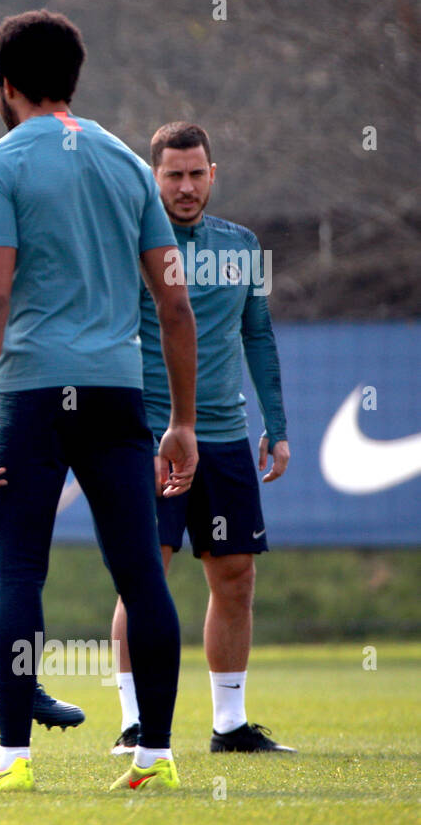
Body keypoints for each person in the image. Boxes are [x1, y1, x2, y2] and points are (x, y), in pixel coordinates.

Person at [0, 10, 198, 793]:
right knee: (141, 574)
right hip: (118, 393)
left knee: (20, 573)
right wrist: (184, 422)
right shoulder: (130, 165)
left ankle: (14, 759)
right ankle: (156, 757)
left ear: (7, 86)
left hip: (29, 393)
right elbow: (174, 305)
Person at [109, 122, 293, 756]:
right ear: (152, 178)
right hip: (148, 437)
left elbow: (259, 337)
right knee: (144, 573)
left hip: (224, 436)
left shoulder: (242, 247)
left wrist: (278, 425)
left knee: (235, 575)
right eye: (173, 175)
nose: (185, 187)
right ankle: (133, 723)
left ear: (213, 174)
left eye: (196, 174)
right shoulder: (129, 244)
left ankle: (230, 726)